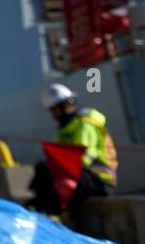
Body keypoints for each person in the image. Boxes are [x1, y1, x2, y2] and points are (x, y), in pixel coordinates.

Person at [28, 83, 117, 224]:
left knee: (51, 173)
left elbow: (81, 158)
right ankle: (40, 211)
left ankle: (49, 217)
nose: (54, 115)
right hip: (82, 176)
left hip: (98, 180)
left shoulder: (85, 124)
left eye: (55, 110)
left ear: (64, 106)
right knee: (43, 169)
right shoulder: (65, 130)